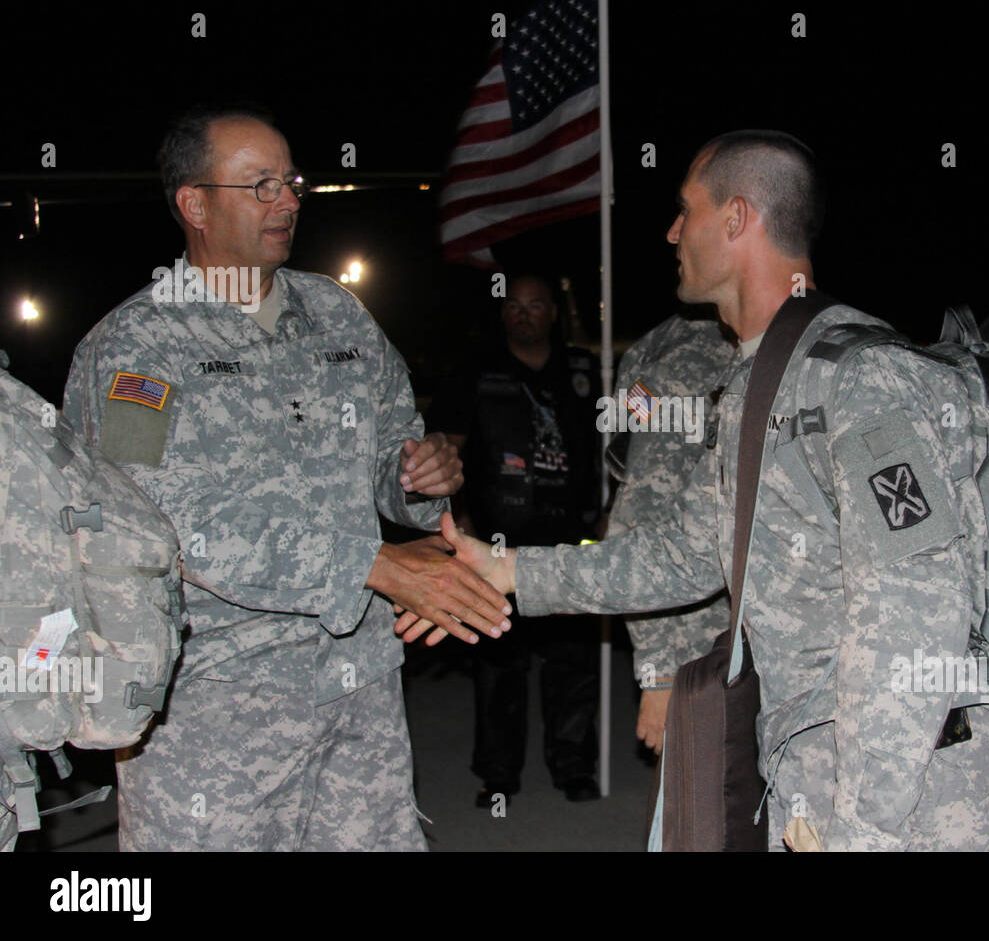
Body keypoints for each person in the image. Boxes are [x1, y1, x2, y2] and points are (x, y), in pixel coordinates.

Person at [404, 130, 989, 850]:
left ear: (735, 220)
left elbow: (914, 615)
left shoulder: (860, 376)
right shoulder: (758, 380)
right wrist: (509, 569)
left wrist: (866, 828)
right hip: (817, 760)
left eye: (686, 210)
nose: (672, 231)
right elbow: (686, 553)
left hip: (905, 790)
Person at [62, 105, 510, 851]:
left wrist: (422, 476)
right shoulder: (137, 346)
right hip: (214, 706)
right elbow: (156, 522)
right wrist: (373, 565)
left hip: (357, 686)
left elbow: (391, 460)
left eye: (292, 181)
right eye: (260, 185)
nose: (289, 200)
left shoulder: (338, 314)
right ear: (194, 204)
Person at [430, 273, 603, 805]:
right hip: (497, 544)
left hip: (569, 542)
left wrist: (608, 514)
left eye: (535, 305)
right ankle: (499, 775)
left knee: (573, 661)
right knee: (500, 664)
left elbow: (622, 442)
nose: (523, 314)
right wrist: (461, 525)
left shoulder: (584, 370)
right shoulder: (475, 371)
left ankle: (574, 767)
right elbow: (446, 452)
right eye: (514, 306)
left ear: (554, 312)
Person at [606, 307, 736, 756]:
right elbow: (641, 520)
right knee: (709, 803)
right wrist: (662, 671)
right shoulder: (690, 357)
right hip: (709, 642)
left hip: (763, 635)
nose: (674, 233)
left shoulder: (770, 338)